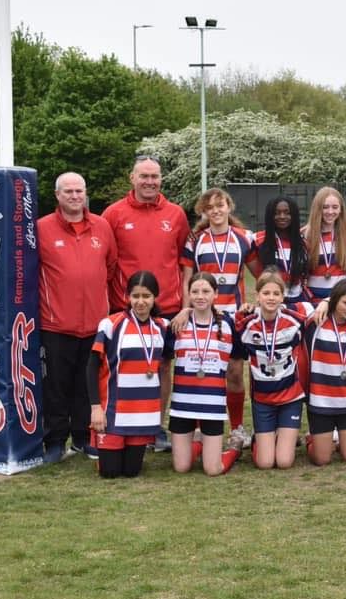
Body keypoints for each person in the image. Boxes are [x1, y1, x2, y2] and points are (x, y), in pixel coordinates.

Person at [103, 155, 190, 452]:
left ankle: (156, 426)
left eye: (155, 176)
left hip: (167, 308)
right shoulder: (113, 214)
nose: (150, 182)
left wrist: (185, 305)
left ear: (161, 179)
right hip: (125, 307)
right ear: (132, 178)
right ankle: (122, 423)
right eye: (144, 176)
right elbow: (107, 261)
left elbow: (183, 262)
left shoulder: (176, 214)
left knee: (162, 366)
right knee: (124, 367)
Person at [38, 172, 117, 463]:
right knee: (56, 387)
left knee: (88, 385)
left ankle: (84, 439)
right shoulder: (41, 228)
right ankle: (55, 441)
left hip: (94, 324)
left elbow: (110, 267)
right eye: (68, 191)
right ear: (57, 195)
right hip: (56, 324)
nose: (74, 196)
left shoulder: (102, 226)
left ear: (85, 193)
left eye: (79, 191)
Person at [178, 188, 258, 447]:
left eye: (220, 205)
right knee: (202, 371)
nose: (215, 211)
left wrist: (256, 302)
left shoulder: (244, 238)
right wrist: (186, 310)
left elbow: (261, 274)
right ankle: (199, 428)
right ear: (204, 211)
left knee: (234, 373)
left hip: (233, 317)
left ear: (229, 206)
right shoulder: (195, 240)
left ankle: (237, 428)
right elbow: (187, 279)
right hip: (204, 316)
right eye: (209, 207)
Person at [88, 271, 170, 478]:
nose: (140, 302)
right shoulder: (110, 324)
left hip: (143, 413)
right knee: (110, 473)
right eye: (135, 296)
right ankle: (104, 451)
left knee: (132, 471)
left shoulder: (163, 327)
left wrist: (185, 311)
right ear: (127, 297)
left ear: (155, 297)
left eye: (146, 296)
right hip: (113, 411)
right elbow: (91, 368)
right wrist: (96, 408)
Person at [163, 272, 246, 475]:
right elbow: (163, 358)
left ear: (216, 294)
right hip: (182, 406)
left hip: (212, 406)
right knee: (181, 468)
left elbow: (239, 357)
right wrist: (185, 311)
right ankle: (199, 445)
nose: (200, 296)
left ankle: (233, 450)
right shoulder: (178, 324)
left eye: (206, 291)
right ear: (189, 294)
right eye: (195, 292)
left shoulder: (227, 324)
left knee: (213, 469)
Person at [238, 271, 309, 469]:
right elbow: (221, 320)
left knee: (284, 462)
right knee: (265, 463)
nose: (271, 298)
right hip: (263, 400)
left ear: (283, 297)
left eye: (276, 294)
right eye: (266, 293)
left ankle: (290, 437)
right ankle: (259, 441)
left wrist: (326, 302)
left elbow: (319, 309)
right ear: (257, 296)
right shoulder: (246, 323)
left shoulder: (295, 320)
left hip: (290, 398)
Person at [305, 280, 346, 465]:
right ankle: (311, 440)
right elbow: (286, 306)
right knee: (322, 460)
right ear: (335, 300)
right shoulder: (315, 320)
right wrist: (326, 301)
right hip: (320, 401)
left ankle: (340, 439)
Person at [303, 187, 346, 305]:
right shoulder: (305, 235)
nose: (330, 212)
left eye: (335, 207)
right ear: (317, 208)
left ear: (341, 210)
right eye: (325, 207)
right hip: (313, 303)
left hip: (340, 302)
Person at [252, 195, 308, 304]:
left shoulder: (303, 242)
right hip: (271, 300)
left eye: (287, 213)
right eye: (277, 213)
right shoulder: (257, 240)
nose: (282, 216)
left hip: (297, 299)